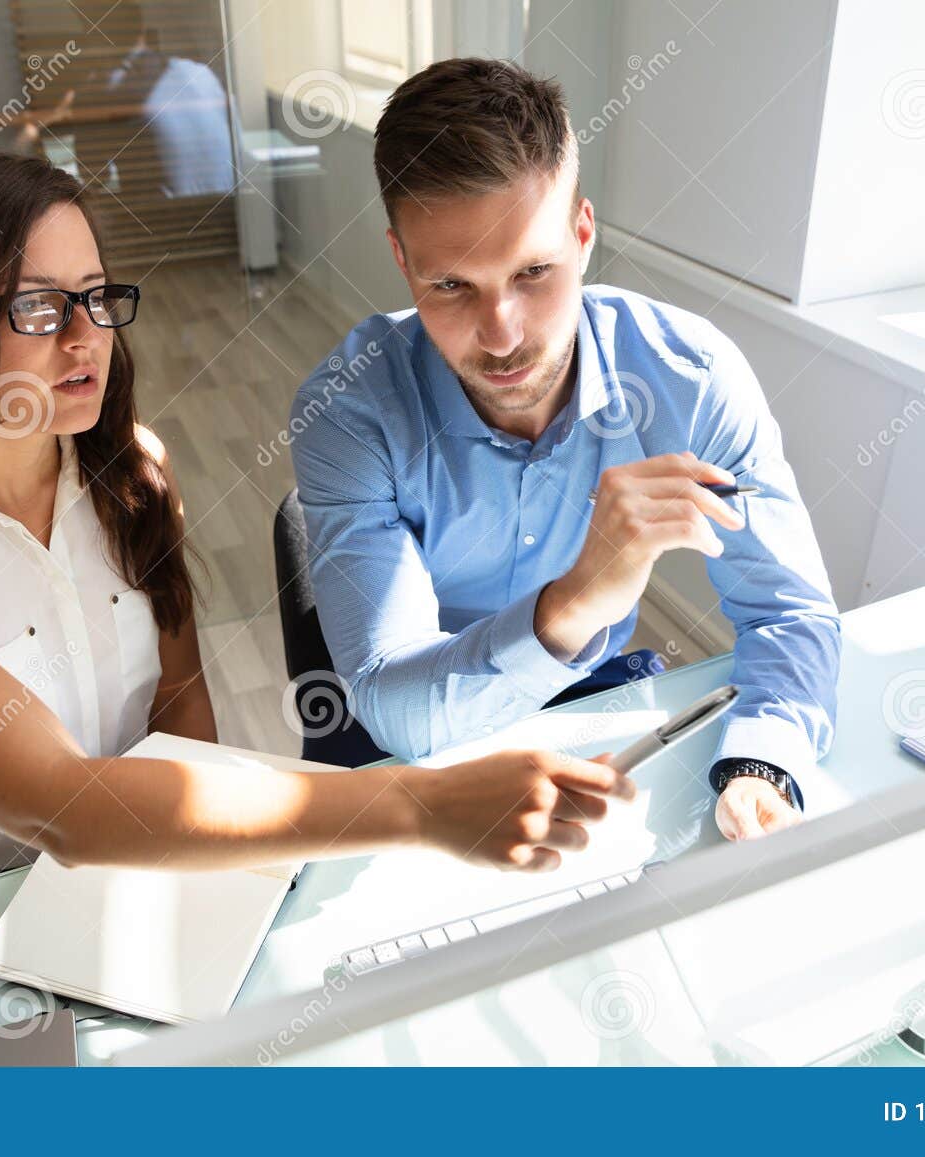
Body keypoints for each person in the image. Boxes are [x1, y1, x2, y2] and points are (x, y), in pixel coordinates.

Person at [0, 151, 631, 928]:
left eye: (96, 296)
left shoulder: (132, 471)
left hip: (125, 865)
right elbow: (62, 806)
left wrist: (212, 873)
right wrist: (418, 803)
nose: (85, 337)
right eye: (38, 307)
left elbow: (178, 705)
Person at [289, 59, 841, 842]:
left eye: (534, 271)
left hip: (591, 698)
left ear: (583, 235)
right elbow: (394, 710)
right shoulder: (349, 409)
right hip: (408, 727)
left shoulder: (693, 377)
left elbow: (788, 607)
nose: (503, 334)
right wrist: (577, 599)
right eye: (452, 286)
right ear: (402, 262)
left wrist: (764, 760)